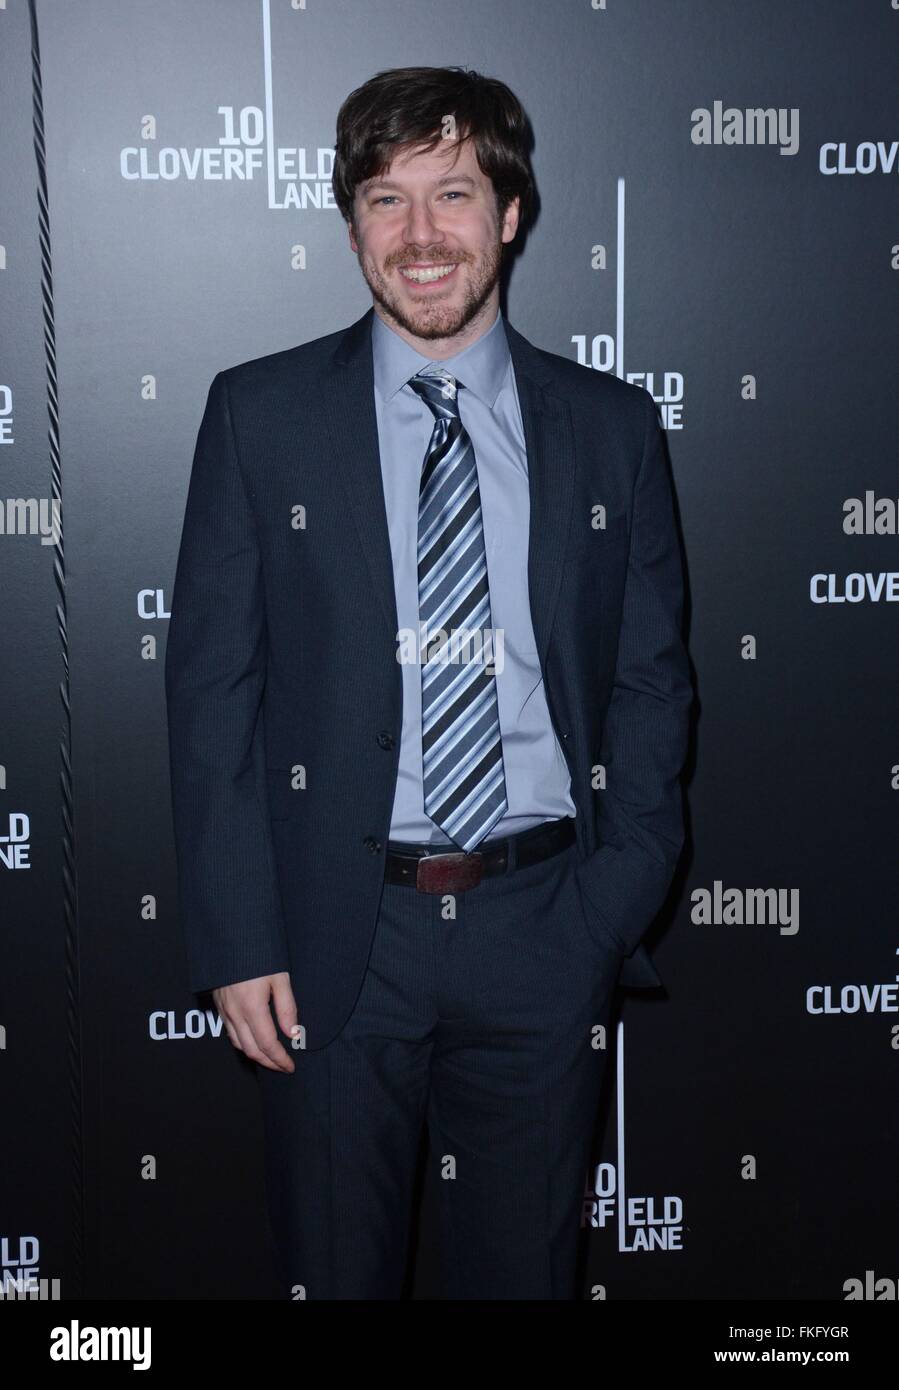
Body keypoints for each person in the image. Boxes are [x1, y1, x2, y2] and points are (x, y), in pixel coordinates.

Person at [164, 65, 693, 1300]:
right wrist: (239, 939)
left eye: (451, 193)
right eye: (385, 200)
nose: (419, 237)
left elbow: (652, 684)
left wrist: (607, 907)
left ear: (509, 212)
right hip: (337, 939)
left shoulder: (610, 428)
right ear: (350, 222)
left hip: (545, 922)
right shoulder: (259, 416)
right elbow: (213, 697)